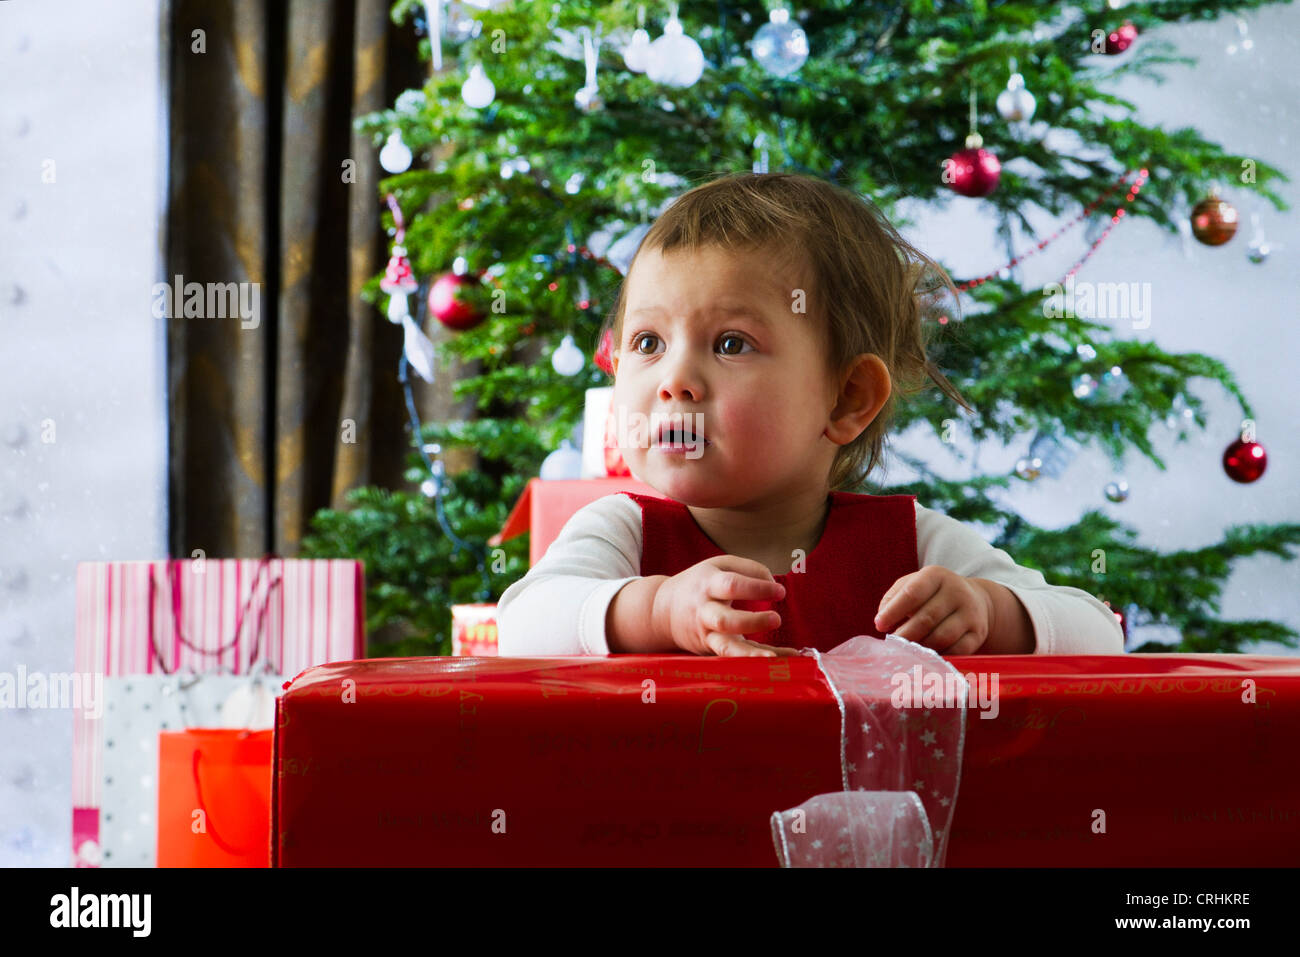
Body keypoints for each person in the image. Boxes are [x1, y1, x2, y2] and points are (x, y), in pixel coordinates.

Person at [497, 171, 1125, 659]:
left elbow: (1099, 631)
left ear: (847, 398)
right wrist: (657, 609)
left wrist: (992, 612)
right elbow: (522, 626)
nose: (675, 382)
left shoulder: (909, 546)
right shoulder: (623, 536)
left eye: (730, 344)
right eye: (648, 343)